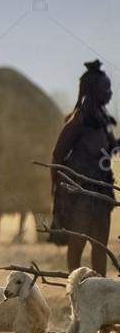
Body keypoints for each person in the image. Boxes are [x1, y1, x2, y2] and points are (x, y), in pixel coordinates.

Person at [50, 60, 118, 274]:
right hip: (80, 192)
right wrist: (59, 190)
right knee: (77, 243)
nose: (110, 92)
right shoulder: (78, 121)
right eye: (106, 88)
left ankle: (100, 287)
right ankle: (76, 287)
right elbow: (58, 155)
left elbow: (109, 149)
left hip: (101, 191)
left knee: (100, 245)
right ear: (93, 89)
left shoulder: (102, 122)